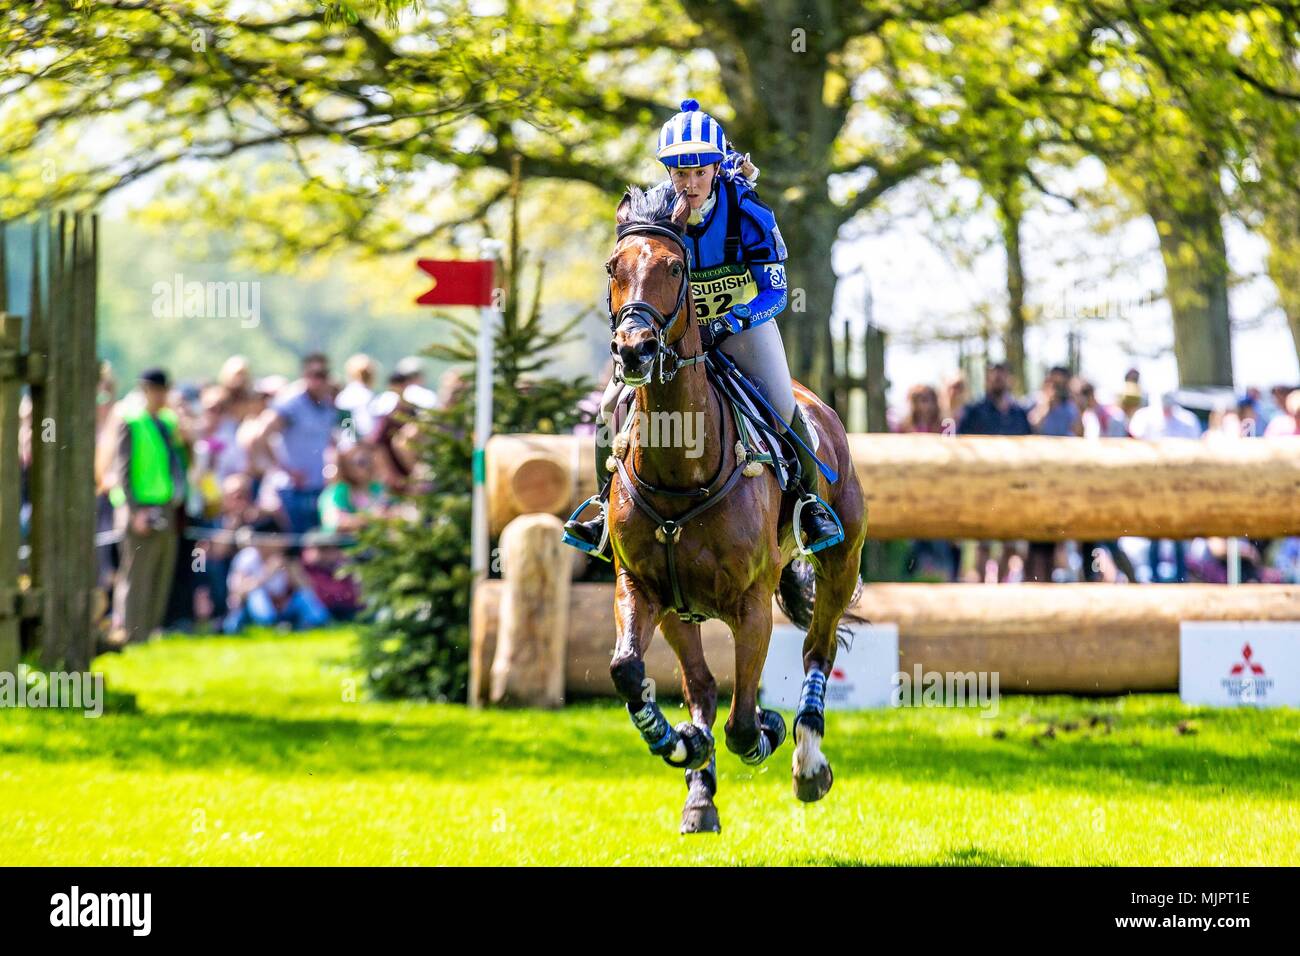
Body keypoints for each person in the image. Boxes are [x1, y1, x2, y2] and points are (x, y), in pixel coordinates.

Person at [565, 98, 842, 557]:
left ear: (716, 168)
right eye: (679, 173)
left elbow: (776, 292)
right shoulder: (654, 215)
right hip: (673, 335)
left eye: (699, 173)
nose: (689, 184)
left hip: (743, 325)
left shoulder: (748, 212)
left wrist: (731, 321)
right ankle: (599, 507)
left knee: (780, 402)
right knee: (610, 405)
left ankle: (808, 505)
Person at [107, 368, 189, 647]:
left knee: (161, 571)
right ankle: (131, 633)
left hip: (165, 505)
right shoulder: (130, 421)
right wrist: (134, 511)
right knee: (137, 574)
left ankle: (151, 631)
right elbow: (123, 471)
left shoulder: (167, 421)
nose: (161, 396)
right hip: (140, 507)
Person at [248, 353, 338, 532]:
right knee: (297, 545)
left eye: (324, 374)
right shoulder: (290, 404)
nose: (320, 380)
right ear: (305, 375)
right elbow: (259, 436)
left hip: (319, 488)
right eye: (315, 375)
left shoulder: (327, 404)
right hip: (293, 491)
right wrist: (282, 469)